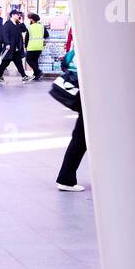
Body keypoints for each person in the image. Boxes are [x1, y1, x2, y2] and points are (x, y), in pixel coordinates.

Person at [56, 38, 87, 192]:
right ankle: (66, 179)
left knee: (80, 138)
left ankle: (66, 178)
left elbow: (67, 62)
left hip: (86, 94)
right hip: (92, 96)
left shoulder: (85, 43)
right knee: (81, 139)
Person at [0, 9, 30, 82]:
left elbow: (24, 30)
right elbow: (5, 35)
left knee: (19, 63)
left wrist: (21, 22)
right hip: (9, 48)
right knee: (5, 63)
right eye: (17, 15)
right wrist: (7, 44)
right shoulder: (7, 24)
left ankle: (24, 76)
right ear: (12, 15)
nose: (18, 16)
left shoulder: (17, 24)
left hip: (16, 48)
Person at [24, 12, 45, 79]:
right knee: (35, 61)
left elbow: (27, 38)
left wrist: (26, 46)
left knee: (29, 60)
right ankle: (36, 75)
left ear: (32, 20)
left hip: (32, 47)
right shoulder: (41, 26)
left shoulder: (30, 27)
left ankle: (38, 71)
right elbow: (46, 35)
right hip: (39, 46)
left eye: (30, 19)